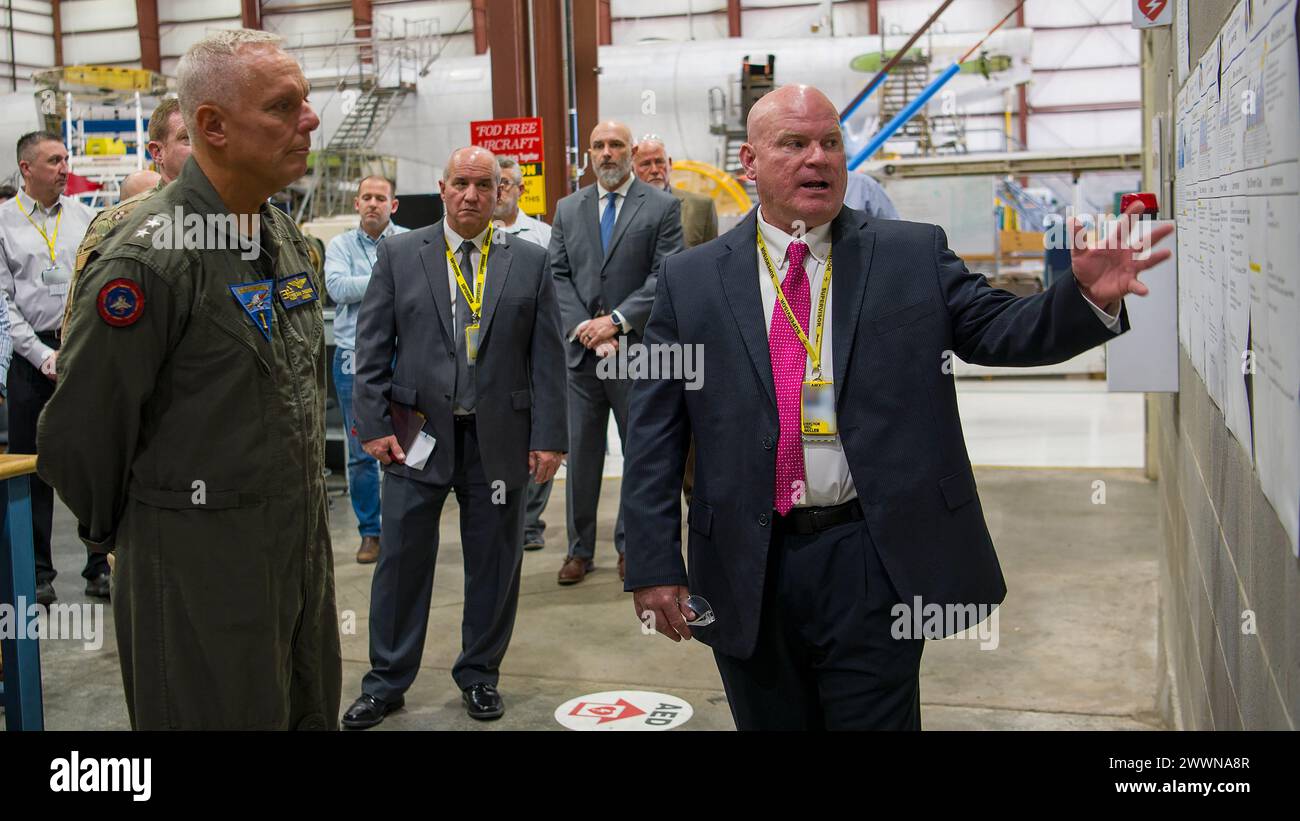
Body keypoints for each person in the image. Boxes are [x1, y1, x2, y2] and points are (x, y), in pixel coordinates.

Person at [621, 84, 1171, 730]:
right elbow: (653, 434)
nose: (817, 159)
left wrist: (1081, 298)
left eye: (830, 143)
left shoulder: (909, 255)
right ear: (749, 162)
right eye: (794, 144)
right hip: (748, 563)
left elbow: (1002, 329)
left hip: (871, 557)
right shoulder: (691, 282)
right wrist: (655, 561)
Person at [36, 28, 341, 730]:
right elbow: (79, 437)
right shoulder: (150, 261)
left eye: (306, 101)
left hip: (299, 567)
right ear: (213, 126)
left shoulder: (287, 243)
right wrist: (138, 540)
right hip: (197, 578)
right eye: (283, 106)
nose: (310, 118)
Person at [342, 146, 567, 728]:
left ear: (501, 193)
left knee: (494, 562)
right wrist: (372, 427)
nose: (471, 195)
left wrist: (550, 436)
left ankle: (480, 675)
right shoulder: (398, 254)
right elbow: (370, 350)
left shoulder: (529, 261)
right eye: (461, 184)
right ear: (442, 189)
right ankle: (386, 682)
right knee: (401, 560)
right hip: (414, 435)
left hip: (501, 436)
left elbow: (547, 358)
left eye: (483, 186)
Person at [549, 120, 684, 586]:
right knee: (582, 458)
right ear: (588, 153)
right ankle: (578, 550)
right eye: (598, 145)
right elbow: (557, 275)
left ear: (631, 152)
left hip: (636, 354)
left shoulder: (663, 207)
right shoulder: (568, 209)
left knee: (639, 454)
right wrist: (586, 329)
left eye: (615, 145)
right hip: (582, 355)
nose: (607, 153)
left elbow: (665, 273)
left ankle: (633, 546)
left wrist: (617, 322)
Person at [0, 131, 100, 604]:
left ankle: (98, 564)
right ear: (26, 169)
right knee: (34, 465)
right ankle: (39, 572)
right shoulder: (3, 224)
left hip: (82, 348)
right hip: (29, 358)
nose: (65, 167)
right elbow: (2, 305)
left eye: (66, 158)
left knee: (91, 461)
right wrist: (41, 356)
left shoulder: (84, 218)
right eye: (54, 160)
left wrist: (80, 347)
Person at [324, 175, 408, 564]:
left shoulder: (411, 240)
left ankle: (403, 526)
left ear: (393, 205)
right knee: (360, 451)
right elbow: (338, 289)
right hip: (352, 359)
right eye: (366, 197)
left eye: (381, 198)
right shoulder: (340, 245)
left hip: (404, 357)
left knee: (408, 445)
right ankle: (369, 533)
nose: (373, 203)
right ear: (357, 204)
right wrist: (390, 277)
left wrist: (374, 281)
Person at [66, 96, 192, 336]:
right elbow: (79, 319)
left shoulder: (230, 216)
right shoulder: (118, 222)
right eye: (187, 138)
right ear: (157, 152)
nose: (200, 147)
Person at [492, 155, 556, 553]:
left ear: (519, 190)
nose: (499, 191)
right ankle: (505, 514)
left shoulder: (542, 235)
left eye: (506, 184)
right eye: (494, 184)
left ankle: (531, 521)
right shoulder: (473, 235)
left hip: (533, 351)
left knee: (541, 436)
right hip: (493, 358)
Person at [632, 136, 718, 248]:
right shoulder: (624, 209)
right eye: (646, 164)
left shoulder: (701, 207)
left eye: (659, 162)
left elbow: (712, 256)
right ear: (633, 169)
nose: (654, 170)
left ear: (670, 164)